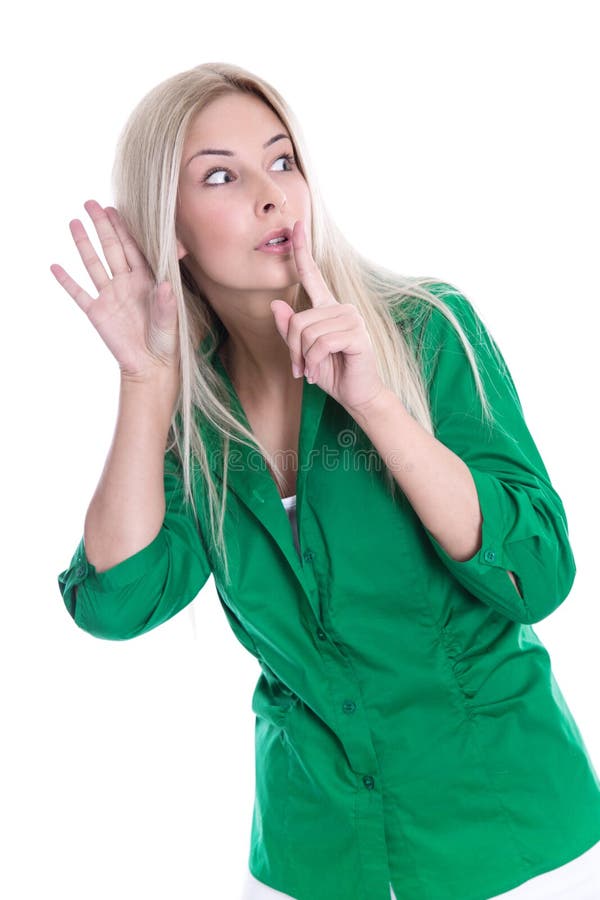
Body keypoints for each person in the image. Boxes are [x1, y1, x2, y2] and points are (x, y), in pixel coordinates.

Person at [52, 62, 600, 900]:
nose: (273, 196)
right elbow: (118, 602)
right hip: (313, 854)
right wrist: (143, 386)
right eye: (223, 176)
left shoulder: (426, 329)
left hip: (508, 840)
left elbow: (537, 574)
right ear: (170, 226)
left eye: (283, 161)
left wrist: (376, 404)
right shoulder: (190, 418)